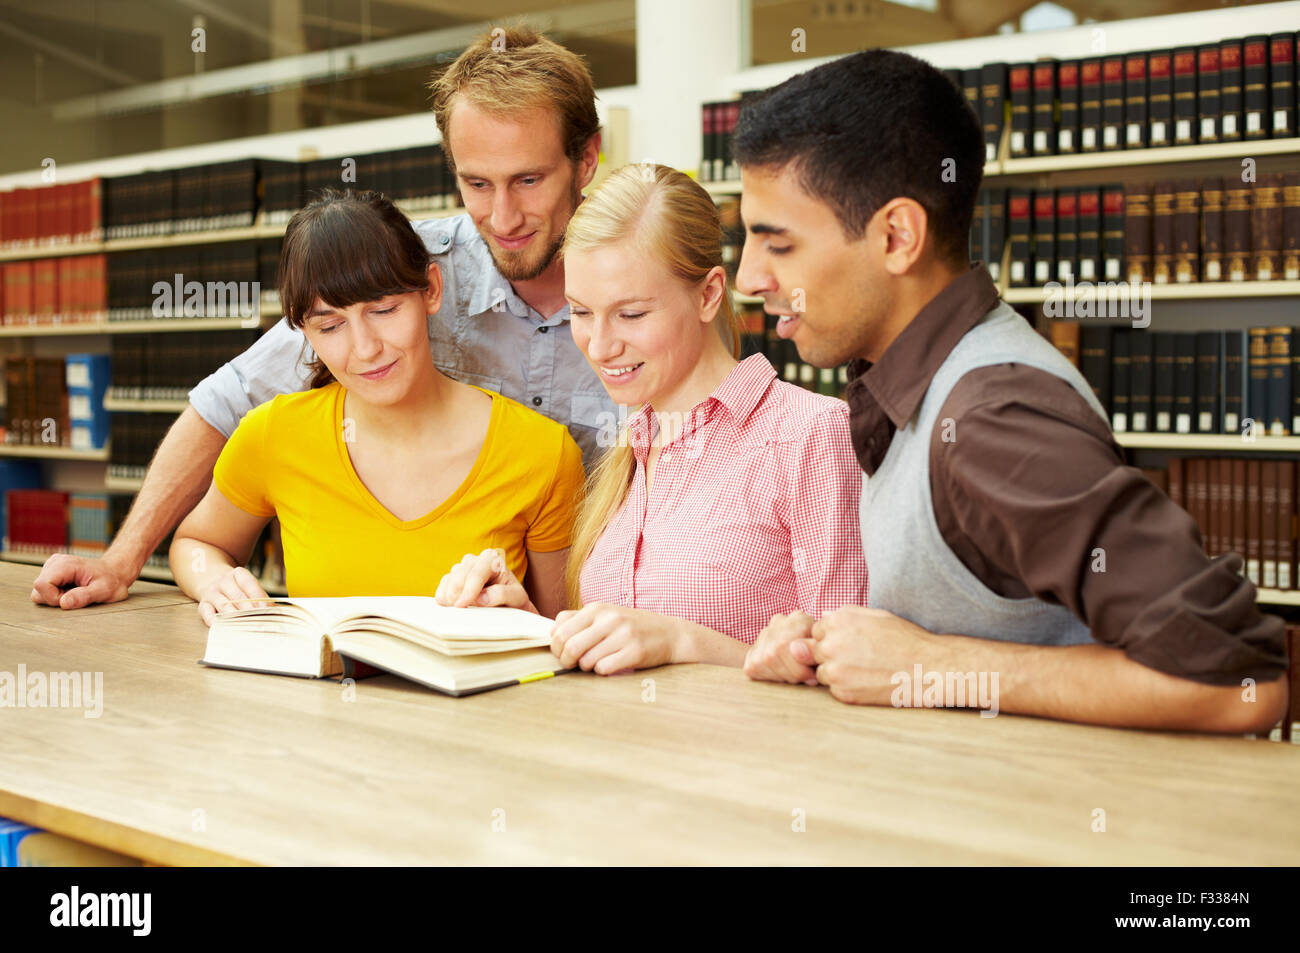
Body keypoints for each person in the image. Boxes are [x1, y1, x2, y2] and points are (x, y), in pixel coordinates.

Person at [734, 49, 1288, 732]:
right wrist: (836, 654)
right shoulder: (914, 387)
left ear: (897, 237)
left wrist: (928, 668)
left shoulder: (993, 417)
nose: (747, 278)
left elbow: (1242, 682)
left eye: (776, 245)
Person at [31, 25, 614, 610]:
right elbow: (225, 403)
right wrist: (120, 561)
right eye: (477, 183)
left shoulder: (643, 292)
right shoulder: (395, 272)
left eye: (529, 179)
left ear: (586, 159)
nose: (503, 215)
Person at [436, 164, 867, 675]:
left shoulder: (814, 435)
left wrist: (682, 641)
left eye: (631, 314)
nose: (599, 345)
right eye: (581, 312)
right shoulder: (632, 444)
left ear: (708, 295)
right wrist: (525, 622)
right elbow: (624, 651)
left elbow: (849, 675)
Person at [169, 190, 582, 624]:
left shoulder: (542, 453)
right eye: (330, 325)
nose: (365, 349)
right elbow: (196, 543)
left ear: (432, 291)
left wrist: (525, 615)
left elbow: (564, 628)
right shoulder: (274, 433)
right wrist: (213, 580)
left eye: (384, 310)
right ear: (304, 331)